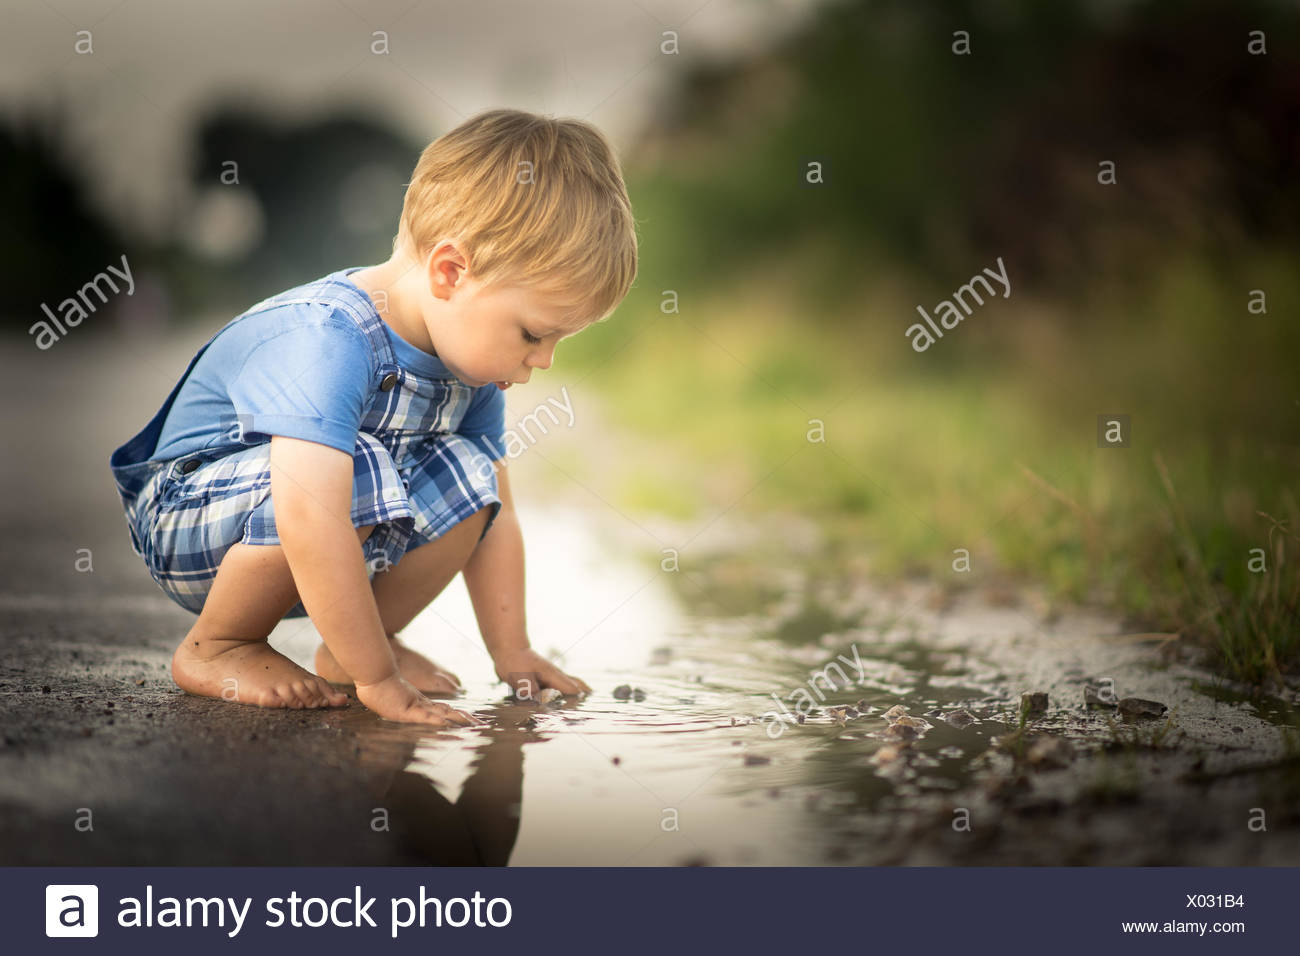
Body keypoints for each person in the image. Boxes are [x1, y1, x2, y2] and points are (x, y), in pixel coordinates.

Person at [108, 109, 637, 725]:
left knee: (477, 476)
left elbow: (499, 517)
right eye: (532, 333)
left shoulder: (470, 370)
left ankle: (355, 643)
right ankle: (219, 644)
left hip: (307, 523)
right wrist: (379, 684)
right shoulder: (331, 338)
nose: (542, 361)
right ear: (450, 273)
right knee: (350, 466)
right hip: (187, 514)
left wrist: (511, 650)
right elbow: (310, 509)